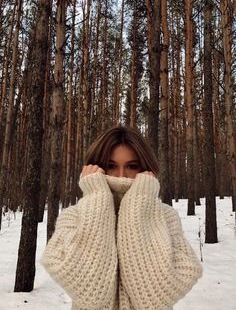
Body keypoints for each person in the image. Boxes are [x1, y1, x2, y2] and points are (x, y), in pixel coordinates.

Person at [41, 125, 202, 310]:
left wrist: (138, 207)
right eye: (110, 166)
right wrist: (96, 199)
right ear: (96, 168)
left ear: (145, 168)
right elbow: (91, 293)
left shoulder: (166, 217)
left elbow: (154, 299)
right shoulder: (74, 217)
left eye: (132, 166)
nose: (121, 175)